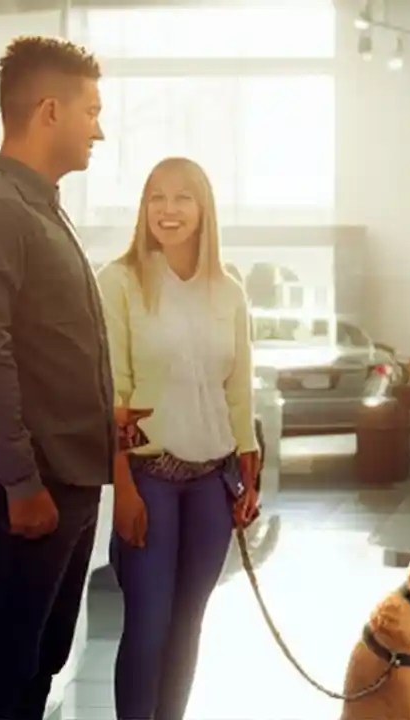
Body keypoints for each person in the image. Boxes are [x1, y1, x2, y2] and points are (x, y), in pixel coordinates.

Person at [0, 36, 111, 720]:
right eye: (90, 110)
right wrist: (20, 480)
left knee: (37, 665)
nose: (100, 127)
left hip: (63, 481)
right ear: (48, 111)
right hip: (28, 491)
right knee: (1, 676)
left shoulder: (39, 207)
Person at [95, 156, 261, 720]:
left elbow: (239, 387)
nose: (168, 210)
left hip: (213, 481)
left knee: (189, 622)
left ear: (203, 207)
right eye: (156, 198)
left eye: (182, 197)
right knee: (148, 623)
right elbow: (113, 394)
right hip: (150, 477)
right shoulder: (119, 281)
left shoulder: (228, 288)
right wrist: (124, 488)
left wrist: (248, 475)